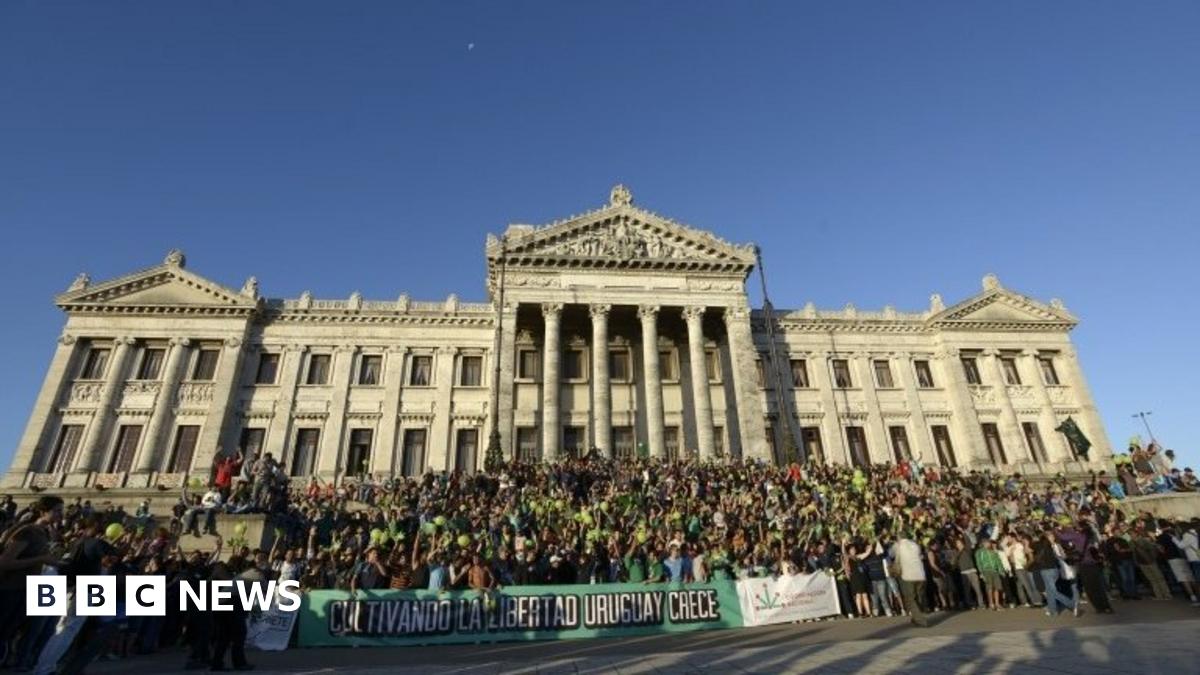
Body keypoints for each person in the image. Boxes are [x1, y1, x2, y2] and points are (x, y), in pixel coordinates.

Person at [891, 530, 930, 627]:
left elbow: (892, 555)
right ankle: (916, 617)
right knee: (918, 596)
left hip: (908, 575)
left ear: (899, 537)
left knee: (910, 598)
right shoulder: (915, 545)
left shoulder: (898, 545)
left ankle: (921, 620)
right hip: (920, 574)